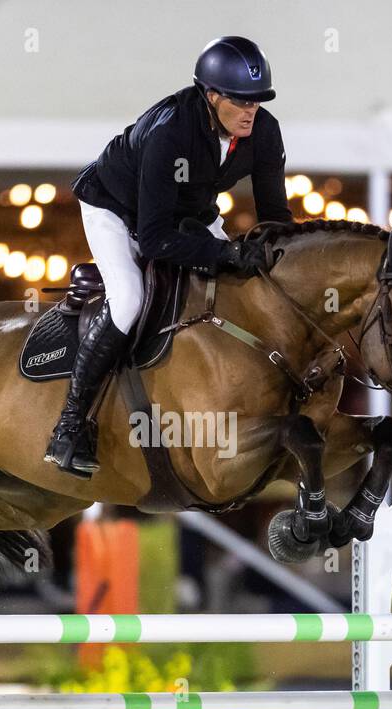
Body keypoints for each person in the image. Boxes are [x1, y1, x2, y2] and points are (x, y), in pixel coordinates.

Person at [46, 35, 295, 477]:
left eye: (257, 101)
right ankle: (69, 426)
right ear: (211, 95)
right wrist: (227, 251)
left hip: (187, 212)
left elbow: (276, 218)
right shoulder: (170, 132)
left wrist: (280, 260)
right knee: (129, 299)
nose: (251, 112)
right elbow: (157, 240)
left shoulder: (264, 131)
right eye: (241, 102)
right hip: (117, 211)